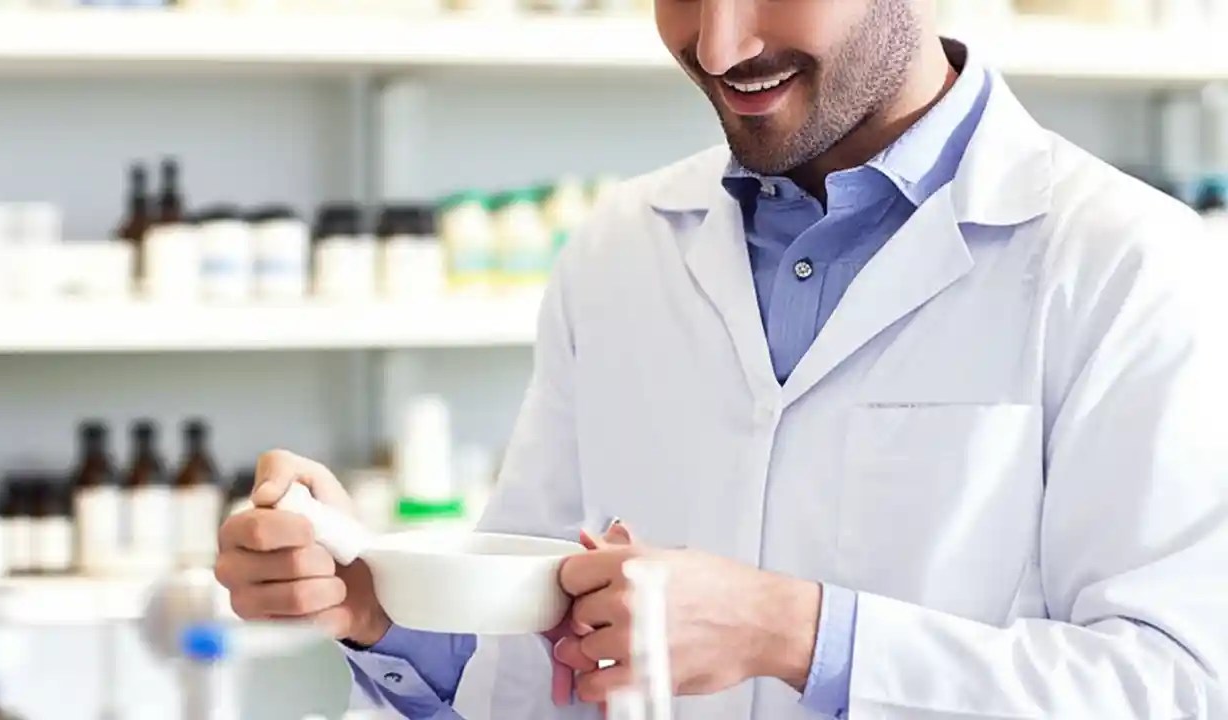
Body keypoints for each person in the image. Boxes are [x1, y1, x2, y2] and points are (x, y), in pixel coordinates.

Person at [214, 0, 1228, 717]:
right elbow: (528, 667)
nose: (717, 40)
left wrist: (793, 633)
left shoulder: (1123, 262)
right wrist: (386, 608)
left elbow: (1178, 688)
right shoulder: (620, 248)